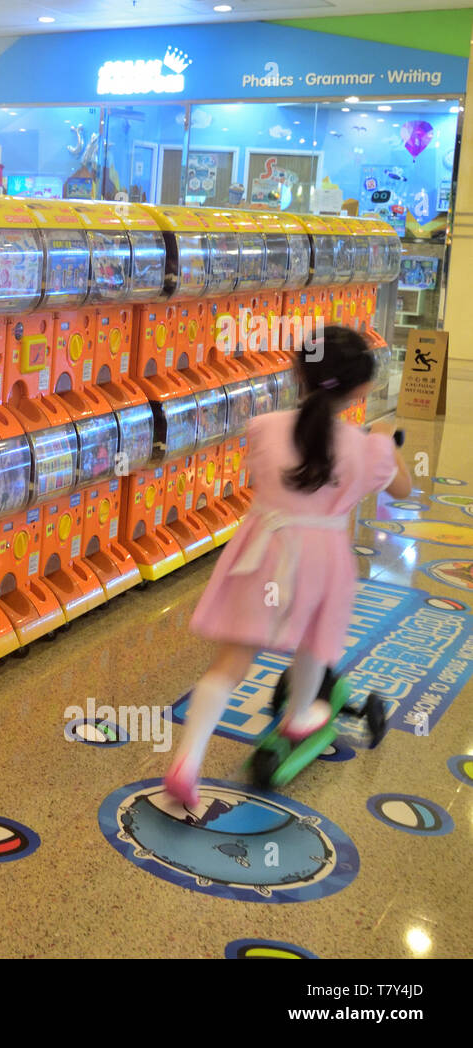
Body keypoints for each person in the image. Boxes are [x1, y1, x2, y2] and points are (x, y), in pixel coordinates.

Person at [165, 326, 411, 807]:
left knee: (231, 660)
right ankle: (300, 715)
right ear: (362, 390)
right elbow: (403, 490)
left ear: (299, 373)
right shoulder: (367, 449)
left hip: (265, 552)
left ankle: (186, 761)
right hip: (323, 562)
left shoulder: (264, 429)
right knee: (314, 640)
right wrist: (386, 441)